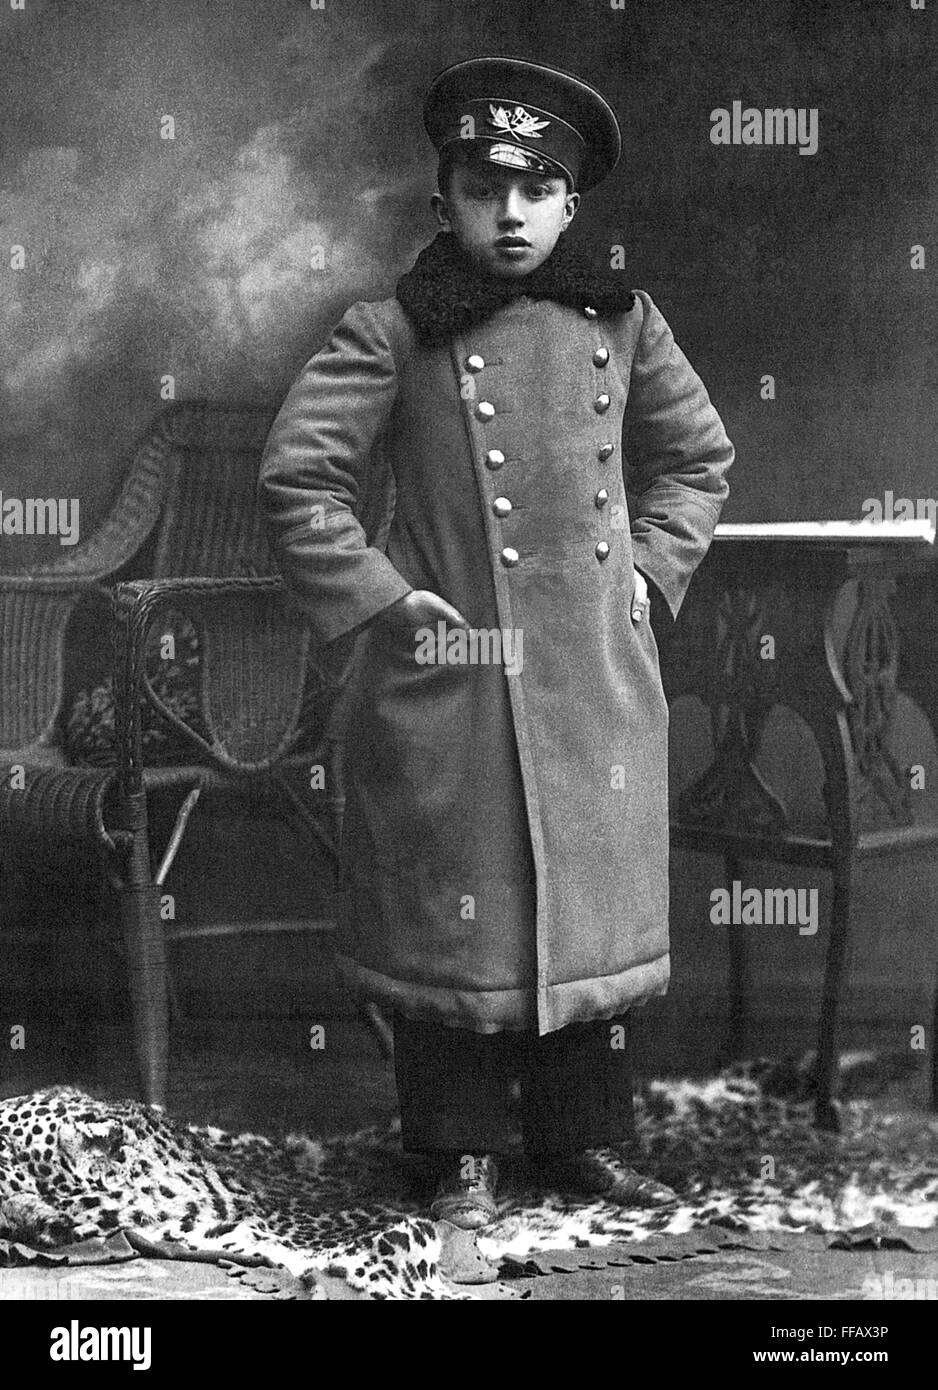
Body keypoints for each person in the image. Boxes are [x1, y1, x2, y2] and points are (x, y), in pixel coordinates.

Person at [258, 56, 734, 1229]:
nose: (509, 213)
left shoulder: (622, 326)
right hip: (448, 676)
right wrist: (380, 598)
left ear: (572, 207)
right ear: (443, 204)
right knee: (452, 915)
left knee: (585, 914)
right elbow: (300, 479)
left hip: (593, 681)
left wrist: (646, 581)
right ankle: (456, 1148)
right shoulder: (390, 330)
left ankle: (583, 1139)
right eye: (483, 188)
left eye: (536, 191)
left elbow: (696, 461)